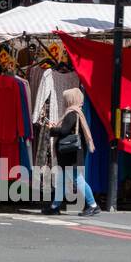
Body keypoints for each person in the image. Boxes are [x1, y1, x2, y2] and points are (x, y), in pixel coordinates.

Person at [44, 87, 100, 216]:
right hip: (71, 155)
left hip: (70, 155)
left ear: (70, 100)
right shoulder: (77, 113)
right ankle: (55, 206)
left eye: (66, 99)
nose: (64, 101)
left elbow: (63, 131)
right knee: (62, 181)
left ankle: (93, 205)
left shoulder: (71, 114)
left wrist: (53, 129)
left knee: (77, 179)